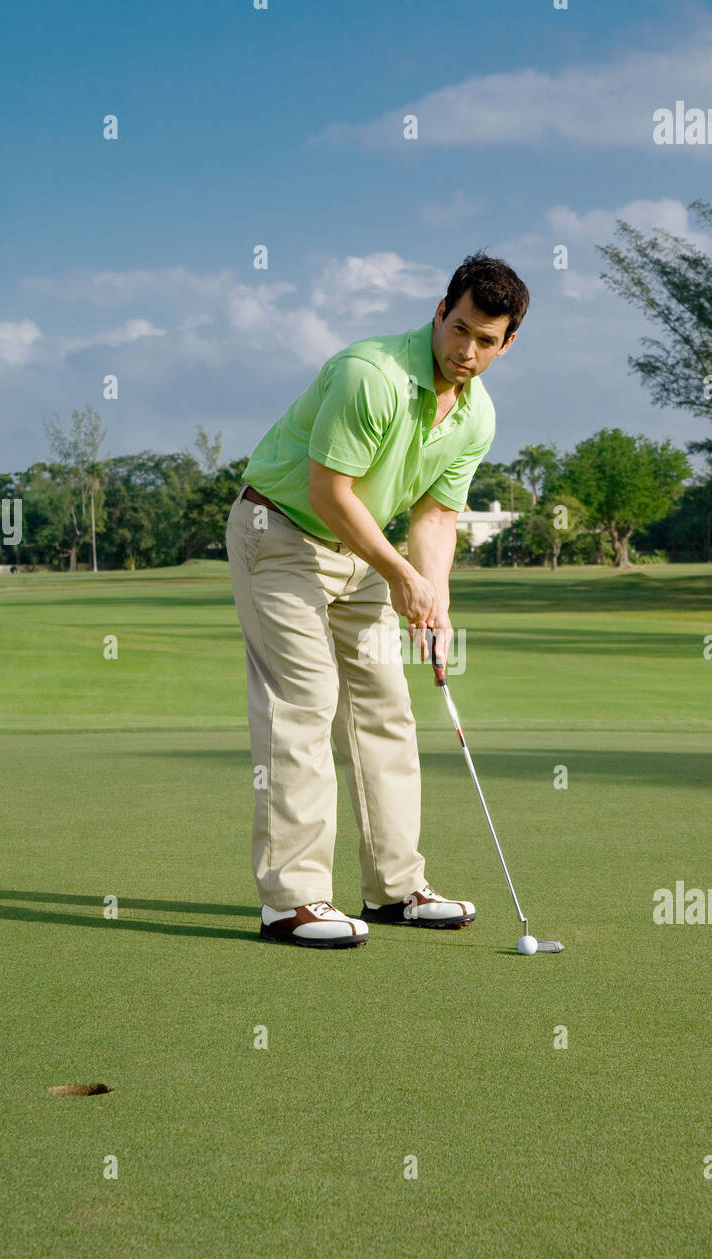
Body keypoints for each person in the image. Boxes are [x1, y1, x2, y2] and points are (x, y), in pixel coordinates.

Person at [225, 251, 529, 947]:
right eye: (459, 329)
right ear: (439, 313)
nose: (467, 350)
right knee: (303, 702)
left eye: (486, 340)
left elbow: (435, 517)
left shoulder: (475, 417)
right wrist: (398, 574)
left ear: (507, 342)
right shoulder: (372, 376)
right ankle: (292, 900)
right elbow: (331, 493)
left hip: (358, 548)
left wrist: (435, 601)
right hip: (279, 530)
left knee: (384, 706)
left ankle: (395, 888)